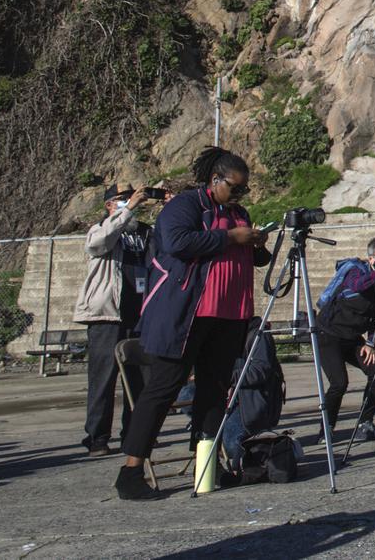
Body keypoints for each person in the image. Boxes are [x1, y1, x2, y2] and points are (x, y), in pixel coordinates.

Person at [115, 146, 270, 501]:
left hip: (229, 314)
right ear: (215, 181)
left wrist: (256, 242)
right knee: (162, 390)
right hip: (187, 314)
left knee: (214, 391)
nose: (241, 195)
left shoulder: (238, 212)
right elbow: (177, 242)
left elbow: (253, 257)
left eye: (245, 189)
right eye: (235, 187)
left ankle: (207, 469)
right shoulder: (185, 205)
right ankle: (131, 472)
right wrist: (231, 237)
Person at [74, 184, 153, 456]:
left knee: (140, 381)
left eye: (130, 198)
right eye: (121, 199)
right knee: (103, 380)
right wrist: (127, 209)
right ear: (109, 205)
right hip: (107, 315)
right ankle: (97, 438)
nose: (129, 202)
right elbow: (97, 245)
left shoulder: (143, 232)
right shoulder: (101, 228)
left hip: (140, 316)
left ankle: (135, 434)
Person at [314, 236, 375, 442]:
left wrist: (371, 342)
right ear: (371, 258)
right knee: (339, 383)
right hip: (329, 333)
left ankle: (365, 422)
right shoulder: (356, 270)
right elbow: (357, 286)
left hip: (353, 337)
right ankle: (326, 428)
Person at [220, 315, 285, 479]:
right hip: (226, 392)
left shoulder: (258, 335)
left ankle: (259, 449)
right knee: (188, 394)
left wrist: (225, 376)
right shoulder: (223, 334)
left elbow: (260, 371)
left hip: (250, 398)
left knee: (233, 444)